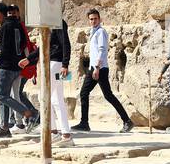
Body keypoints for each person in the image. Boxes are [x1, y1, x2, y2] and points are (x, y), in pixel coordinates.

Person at [75, 8, 132, 133]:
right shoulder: (93, 32)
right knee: (84, 93)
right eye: (91, 19)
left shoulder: (101, 32)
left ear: (99, 19)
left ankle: (127, 121)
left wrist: (97, 68)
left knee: (108, 96)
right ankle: (84, 123)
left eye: (96, 19)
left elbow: (102, 51)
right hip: (93, 68)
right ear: (89, 21)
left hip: (99, 69)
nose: (94, 21)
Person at [0, 2, 40, 138]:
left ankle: (28, 112)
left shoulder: (5, 26)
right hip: (17, 67)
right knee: (6, 96)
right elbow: (23, 44)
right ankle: (4, 127)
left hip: (7, 67)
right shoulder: (18, 24)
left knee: (1, 95)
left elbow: (5, 50)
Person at [48, 17, 74, 145]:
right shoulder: (49, 23)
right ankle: (61, 133)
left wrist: (65, 64)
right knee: (55, 98)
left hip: (56, 65)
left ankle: (57, 133)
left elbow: (66, 43)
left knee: (48, 98)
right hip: (53, 64)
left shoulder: (57, 22)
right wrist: (29, 59)